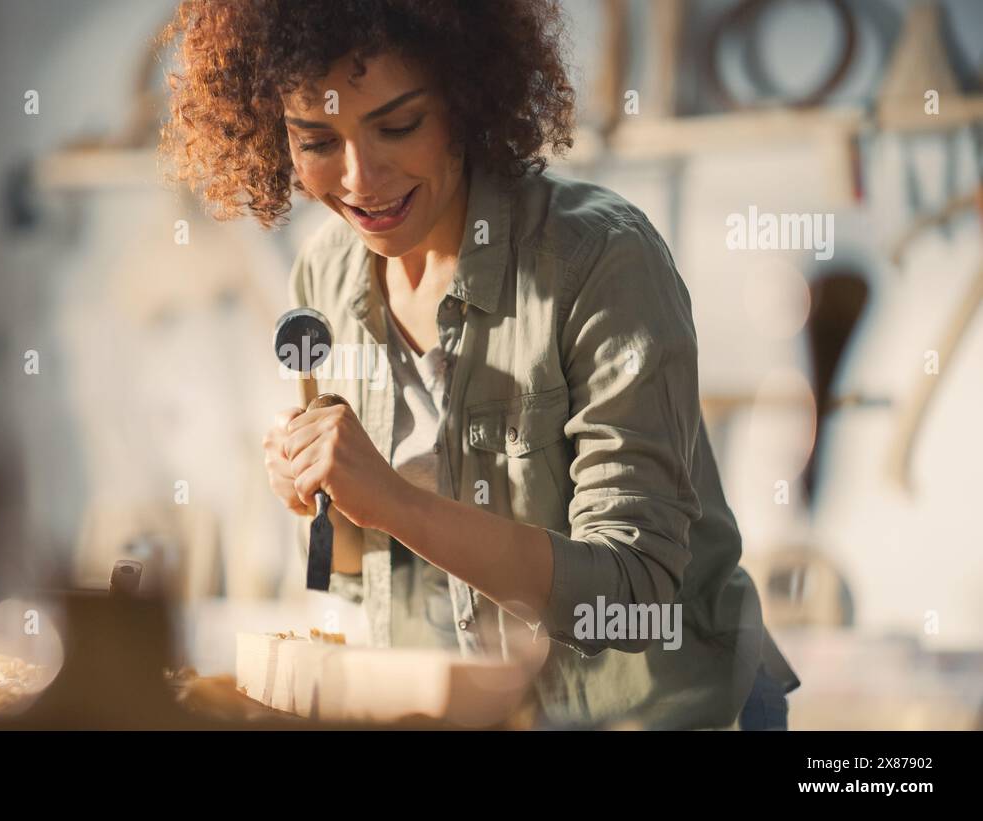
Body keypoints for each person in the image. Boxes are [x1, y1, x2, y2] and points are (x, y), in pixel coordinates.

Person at [159, 0, 798, 729]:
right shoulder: (326, 277)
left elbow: (632, 599)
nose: (360, 178)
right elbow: (371, 585)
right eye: (316, 141)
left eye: (398, 126)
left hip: (659, 710)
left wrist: (396, 502)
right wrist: (322, 508)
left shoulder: (599, 261)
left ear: (465, 102)